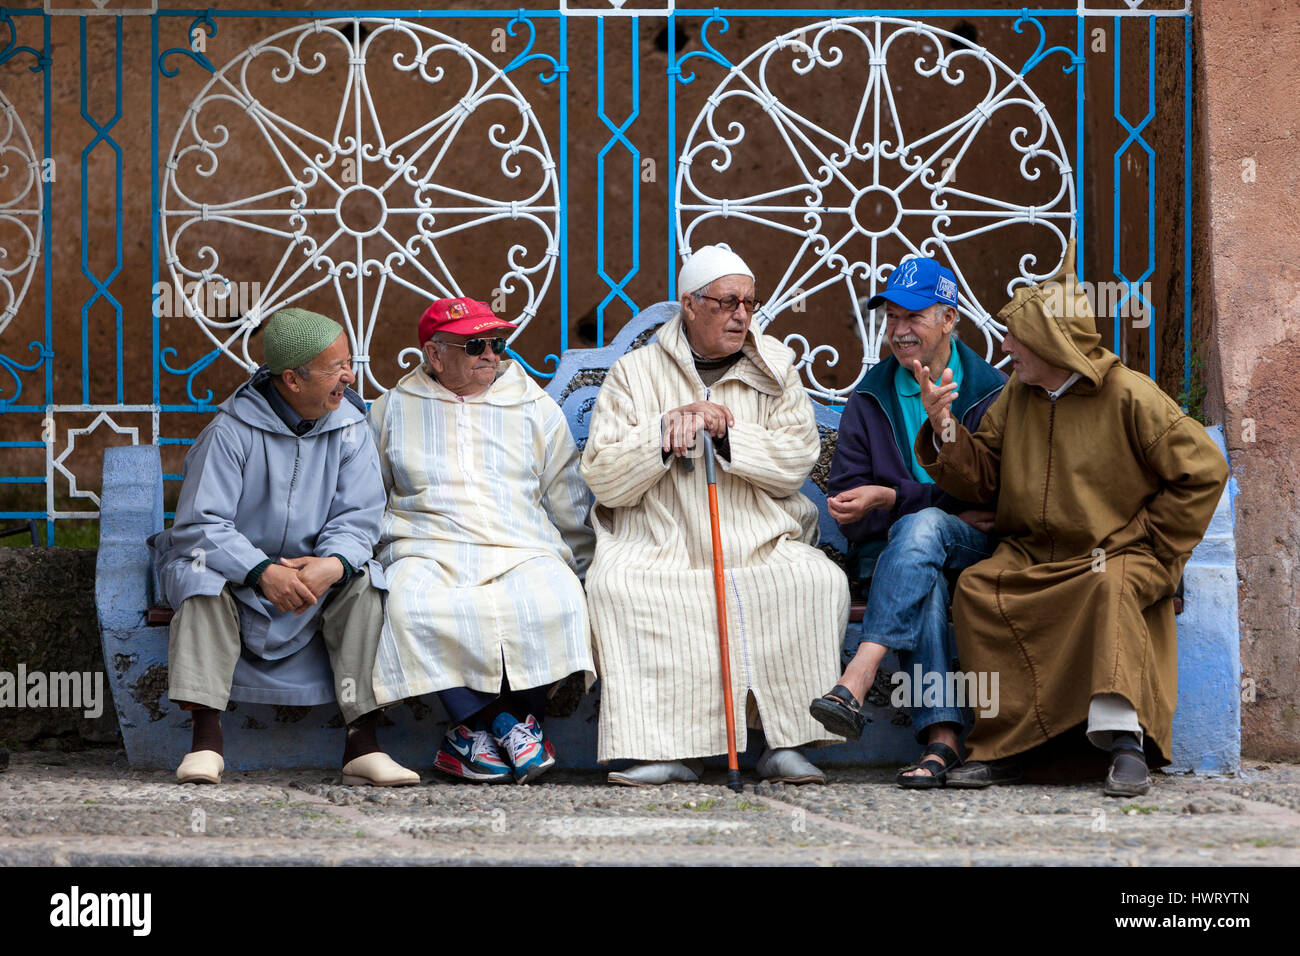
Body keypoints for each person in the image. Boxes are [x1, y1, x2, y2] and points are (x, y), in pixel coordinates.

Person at [911, 243, 1229, 796]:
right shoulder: (1019, 394)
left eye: (1016, 336)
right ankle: (1004, 747)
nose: (1005, 346)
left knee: (1112, 585)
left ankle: (1126, 745)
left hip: (1116, 554)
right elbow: (981, 476)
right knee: (982, 589)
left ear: (1049, 342)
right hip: (1033, 556)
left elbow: (1204, 469)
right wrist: (943, 428)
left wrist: (1155, 541)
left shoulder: (1129, 395)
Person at [581, 244, 849, 787]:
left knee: (815, 579)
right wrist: (664, 430)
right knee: (617, 586)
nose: (741, 315)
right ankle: (664, 749)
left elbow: (797, 458)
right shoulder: (634, 374)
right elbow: (604, 473)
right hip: (662, 539)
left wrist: (729, 435)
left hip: (757, 538)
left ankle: (786, 742)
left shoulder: (776, 367)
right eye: (727, 302)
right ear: (690, 305)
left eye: (749, 302)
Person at [151, 307, 418, 787]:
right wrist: (260, 571)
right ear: (292, 380)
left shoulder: (350, 428)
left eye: (347, 363)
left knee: (364, 584)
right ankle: (206, 742)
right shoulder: (230, 432)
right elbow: (200, 525)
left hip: (312, 578)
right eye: (335, 367)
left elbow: (359, 516)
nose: (348, 376)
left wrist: (331, 564)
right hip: (239, 574)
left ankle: (363, 744)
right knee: (199, 580)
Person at [367, 297, 594, 785]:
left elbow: (566, 491)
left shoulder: (532, 404)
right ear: (435, 355)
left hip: (521, 544)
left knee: (556, 598)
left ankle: (479, 734)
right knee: (412, 604)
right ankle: (503, 726)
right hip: (425, 545)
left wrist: (585, 560)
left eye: (497, 342)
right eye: (475, 346)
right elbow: (370, 496)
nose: (491, 354)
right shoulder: (392, 410)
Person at [811, 257, 1006, 788]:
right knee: (922, 556)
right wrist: (927, 505)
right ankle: (943, 743)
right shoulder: (870, 398)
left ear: (949, 319)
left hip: (979, 553)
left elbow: (995, 496)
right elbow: (851, 511)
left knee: (921, 529)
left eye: (913, 317)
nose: (898, 331)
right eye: (892, 317)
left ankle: (857, 677)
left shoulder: (993, 393)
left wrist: (891, 494)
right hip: (896, 558)